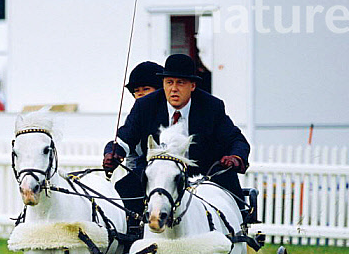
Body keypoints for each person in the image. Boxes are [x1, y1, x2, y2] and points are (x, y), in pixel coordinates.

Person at [103, 53, 250, 217]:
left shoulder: (212, 106)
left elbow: (237, 140)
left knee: (231, 189)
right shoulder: (145, 105)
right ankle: (132, 231)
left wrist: (235, 157)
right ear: (163, 84)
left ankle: (240, 229)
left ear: (192, 85)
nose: (173, 88)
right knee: (125, 186)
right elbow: (124, 139)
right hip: (156, 172)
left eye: (180, 83)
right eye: (169, 82)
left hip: (203, 173)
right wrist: (113, 153)